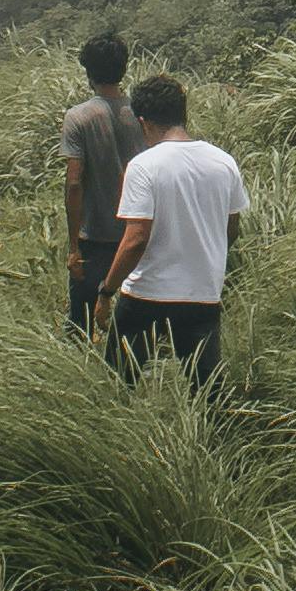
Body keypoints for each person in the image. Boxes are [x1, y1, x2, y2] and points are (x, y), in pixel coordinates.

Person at [94, 73, 247, 386]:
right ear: (183, 113)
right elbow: (230, 229)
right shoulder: (223, 163)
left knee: (118, 384)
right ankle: (214, 436)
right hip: (202, 295)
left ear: (143, 121)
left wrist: (106, 290)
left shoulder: (144, 166)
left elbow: (135, 239)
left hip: (146, 296)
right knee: (207, 394)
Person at [61, 32, 147, 341]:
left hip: (94, 238)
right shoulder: (141, 114)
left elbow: (74, 183)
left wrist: (73, 247)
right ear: (123, 68)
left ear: (88, 71)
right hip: (137, 232)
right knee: (133, 327)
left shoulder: (78, 117)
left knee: (80, 326)